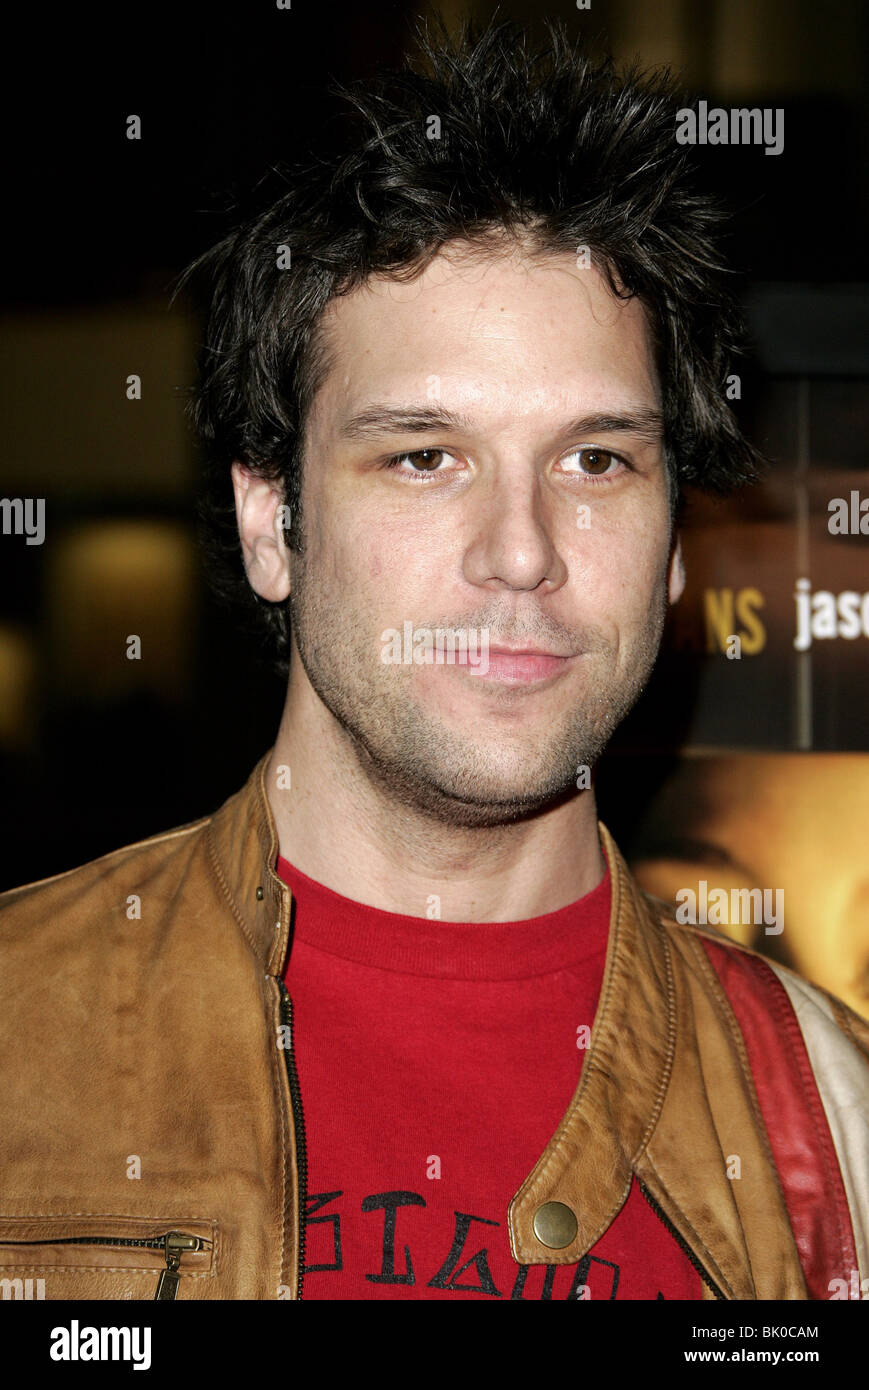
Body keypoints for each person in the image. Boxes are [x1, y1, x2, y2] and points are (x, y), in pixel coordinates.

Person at [0, 19, 866, 1302]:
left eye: (595, 460)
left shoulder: (833, 1132)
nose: (519, 554)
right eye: (422, 456)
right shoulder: (21, 1036)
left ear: (676, 544)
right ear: (269, 523)